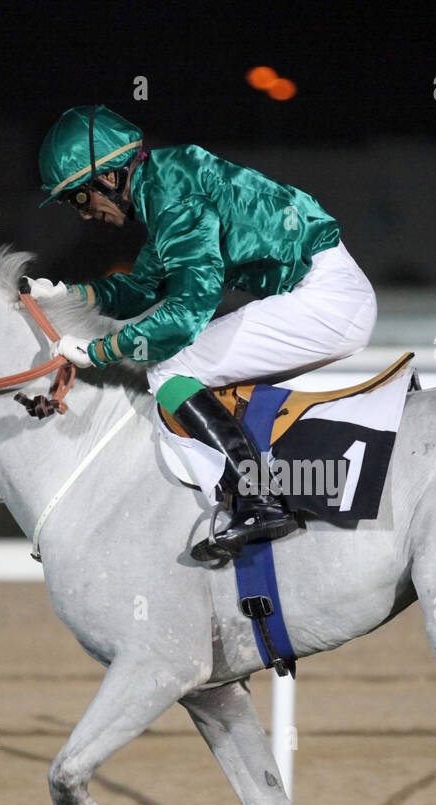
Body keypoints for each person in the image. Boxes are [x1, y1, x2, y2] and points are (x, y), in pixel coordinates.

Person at [31, 104, 377, 560]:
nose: (82, 214)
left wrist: (99, 351)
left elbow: (187, 313)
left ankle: (259, 503)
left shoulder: (175, 196)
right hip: (325, 294)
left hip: (327, 299)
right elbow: (140, 288)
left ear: (110, 178)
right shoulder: (166, 185)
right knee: (179, 366)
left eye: (78, 197)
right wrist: (67, 295)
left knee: (169, 369)